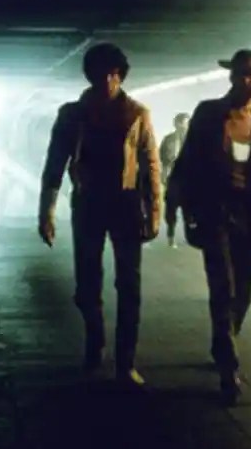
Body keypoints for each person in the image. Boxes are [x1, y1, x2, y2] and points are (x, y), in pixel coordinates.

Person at [38, 42, 161, 386]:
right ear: (90, 76)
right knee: (86, 284)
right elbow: (54, 164)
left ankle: (126, 361)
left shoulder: (137, 113)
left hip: (126, 204)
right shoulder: (72, 114)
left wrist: (154, 210)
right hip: (88, 203)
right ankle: (95, 339)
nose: (107, 80)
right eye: (100, 74)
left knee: (129, 285)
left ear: (120, 76)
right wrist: (46, 210)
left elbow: (151, 163)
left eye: (113, 74)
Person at [169, 49, 251, 404]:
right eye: (247, 74)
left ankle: (225, 337)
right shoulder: (209, 114)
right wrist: (174, 206)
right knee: (223, 287)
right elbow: (188, 161)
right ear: (232, 77)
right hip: (216, 210)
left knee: (244, 292)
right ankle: (228, 364)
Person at [160, 112, 190, 247]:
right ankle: (171, 237)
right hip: (173, 178)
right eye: (182, 123)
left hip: (189, 179)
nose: (184, 126)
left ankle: (190, 237)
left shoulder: (193, 139)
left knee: (189, 210)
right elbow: (162, 156)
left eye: (187, 123)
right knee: (170, 209)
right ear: (176, 124)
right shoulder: (168, 139)